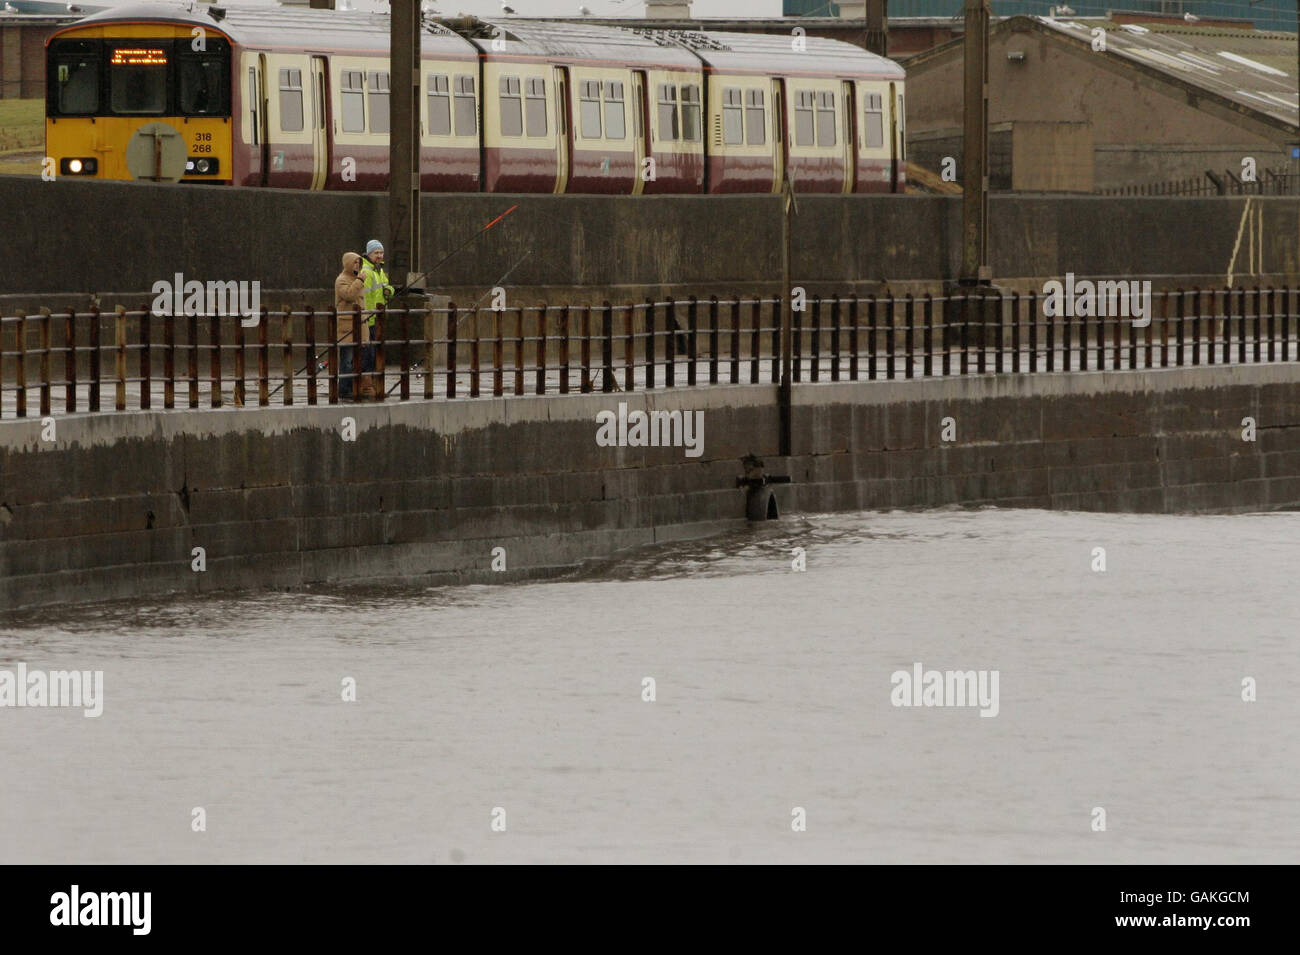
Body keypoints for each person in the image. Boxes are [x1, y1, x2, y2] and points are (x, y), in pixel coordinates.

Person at [359, 239, 395, 400]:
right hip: (369, 318)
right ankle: (367, 386)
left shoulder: (379, 270)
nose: (379, 256)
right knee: (368, 353)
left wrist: (389, 290)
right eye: (376, 253)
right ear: (369, 254)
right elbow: (364, 295)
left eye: (381, 253)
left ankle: (373, 385)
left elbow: (385, 286)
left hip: (377, 318)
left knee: (375, 354)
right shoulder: (367, 271)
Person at [333, 251, 367, 401]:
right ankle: (344, 389)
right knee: (346, 360)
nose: (357, 265)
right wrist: (359, 280)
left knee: (356, 359)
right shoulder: (342, 280)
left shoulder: (355, 279)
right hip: (347, 326)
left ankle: (353, 387)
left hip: (359, 325)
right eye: (354, 262)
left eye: (359, 262)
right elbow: (348, 295)